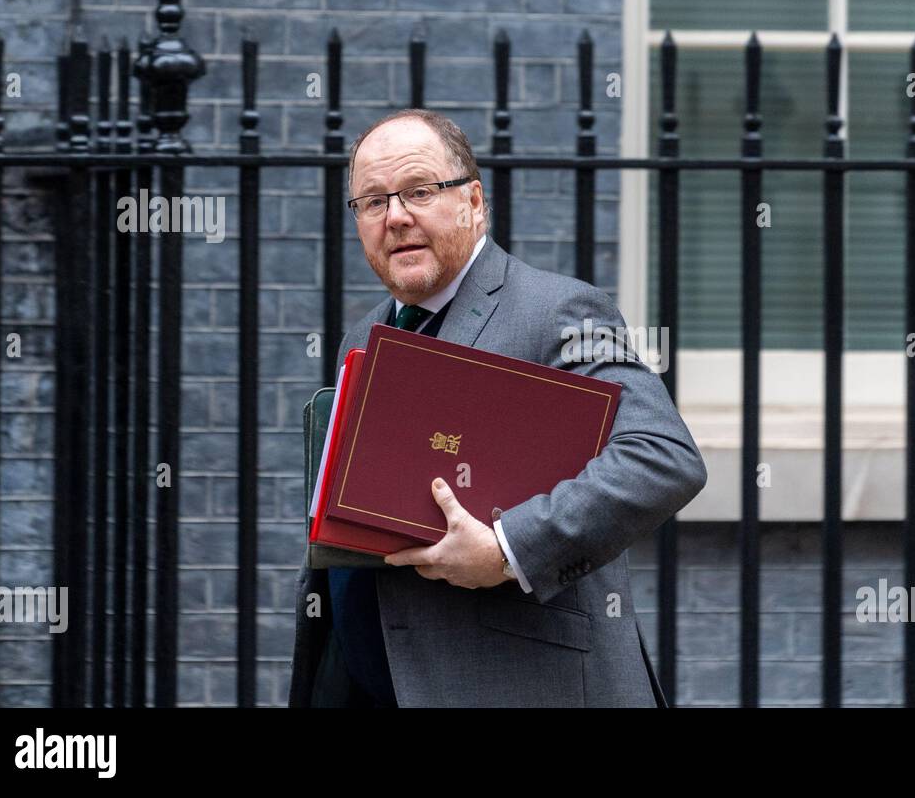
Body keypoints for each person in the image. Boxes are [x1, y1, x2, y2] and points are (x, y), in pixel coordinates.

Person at [287, 109, 708, 707]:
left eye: (419, 191)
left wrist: (509, 550)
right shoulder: (361, 336)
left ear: (474, 201)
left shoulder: (561, 309)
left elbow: (661, 458)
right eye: (373, 202)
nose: (396, 216)